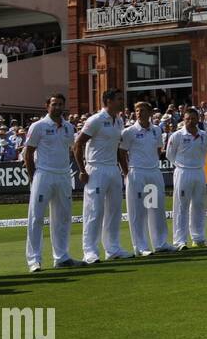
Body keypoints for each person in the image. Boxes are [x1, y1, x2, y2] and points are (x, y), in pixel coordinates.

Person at [75, 89, 133, 264]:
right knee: (94, 211)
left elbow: (117, 148)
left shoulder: (119, 120)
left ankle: (113, 248)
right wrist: (82, 170)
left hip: (112, 169)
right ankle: (90, 251)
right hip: (96, 168)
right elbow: (78, 144)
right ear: (108, 101)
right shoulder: (95, 120)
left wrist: (124, 171)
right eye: (119, 99)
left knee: (114, 211)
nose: (122, 102)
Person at [23, 94, 78, 272]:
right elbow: (28, 153)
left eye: (61, 104)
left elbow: (71, 148)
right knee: (36, 217)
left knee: (62, 217)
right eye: (54, 104)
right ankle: (34, 260)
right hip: (43, 174)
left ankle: (61, 257)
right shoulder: (38, 126)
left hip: (63, 175)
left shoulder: (69, 127)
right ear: (47, 106)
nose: (57, 107)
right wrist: (33, 176)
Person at [121, 101, 171, 257]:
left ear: (150, 113)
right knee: (138, 211)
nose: (139, 112)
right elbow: (121, 153)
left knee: (155, 208)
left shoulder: (156, 130)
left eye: (142, 110)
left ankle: (160, 243)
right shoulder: (129, 132)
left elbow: (157, 149)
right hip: (137, 173)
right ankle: (140, 246)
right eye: (136, 110)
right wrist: (126, 172)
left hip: (153, 173)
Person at [166, 107, 207, 250]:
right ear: (183, 120)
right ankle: (180, 241)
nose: (190, 121)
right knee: (181, 206)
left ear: (198, 119)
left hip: (199, 172)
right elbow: (170, 155)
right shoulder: (177, 135)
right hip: (183, 172)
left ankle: (198, 237)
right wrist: (182, 165)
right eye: (188, 118)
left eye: (193, 118)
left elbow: (204, 152)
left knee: (199, 205)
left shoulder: (203, 135)